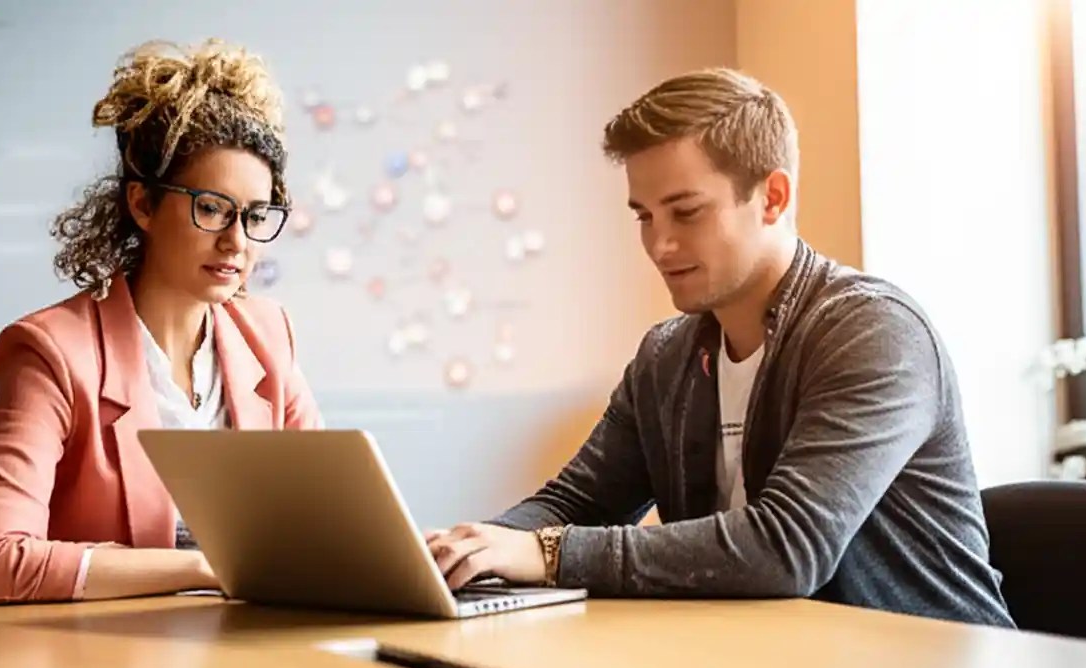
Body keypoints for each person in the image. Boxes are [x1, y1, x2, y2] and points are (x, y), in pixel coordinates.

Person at [425, 68, 1015, 627]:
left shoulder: (875, 332)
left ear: (773, 198)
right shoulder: (666, 356)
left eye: (686, 212)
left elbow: (788, 548)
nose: (660, 244)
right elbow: (575, 502)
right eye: (645, 217)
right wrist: (463, 554)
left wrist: (547, 554)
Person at [0, 38, 322, 604]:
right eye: (211, 208)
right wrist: (204, 568)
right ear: (143, 205)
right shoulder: (50, 351)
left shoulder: (268, 335)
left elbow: (327, 523)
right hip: (100, 664)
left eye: (255, 216)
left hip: (244, 654)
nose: (237, 241)